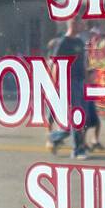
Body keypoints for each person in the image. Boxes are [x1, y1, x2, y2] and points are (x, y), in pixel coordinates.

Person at [46, 19, 87, 159]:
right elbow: (54, 64)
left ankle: (54, 137)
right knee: (77, 115)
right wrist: (55, 85)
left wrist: (85, 79)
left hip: (79, 82)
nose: (82, 25)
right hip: (66, 82)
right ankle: (77, 150)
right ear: (72, 25)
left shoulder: (80, 42)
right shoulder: (63, 42)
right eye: (79, 23)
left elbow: (83, 64)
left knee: (78, 117)